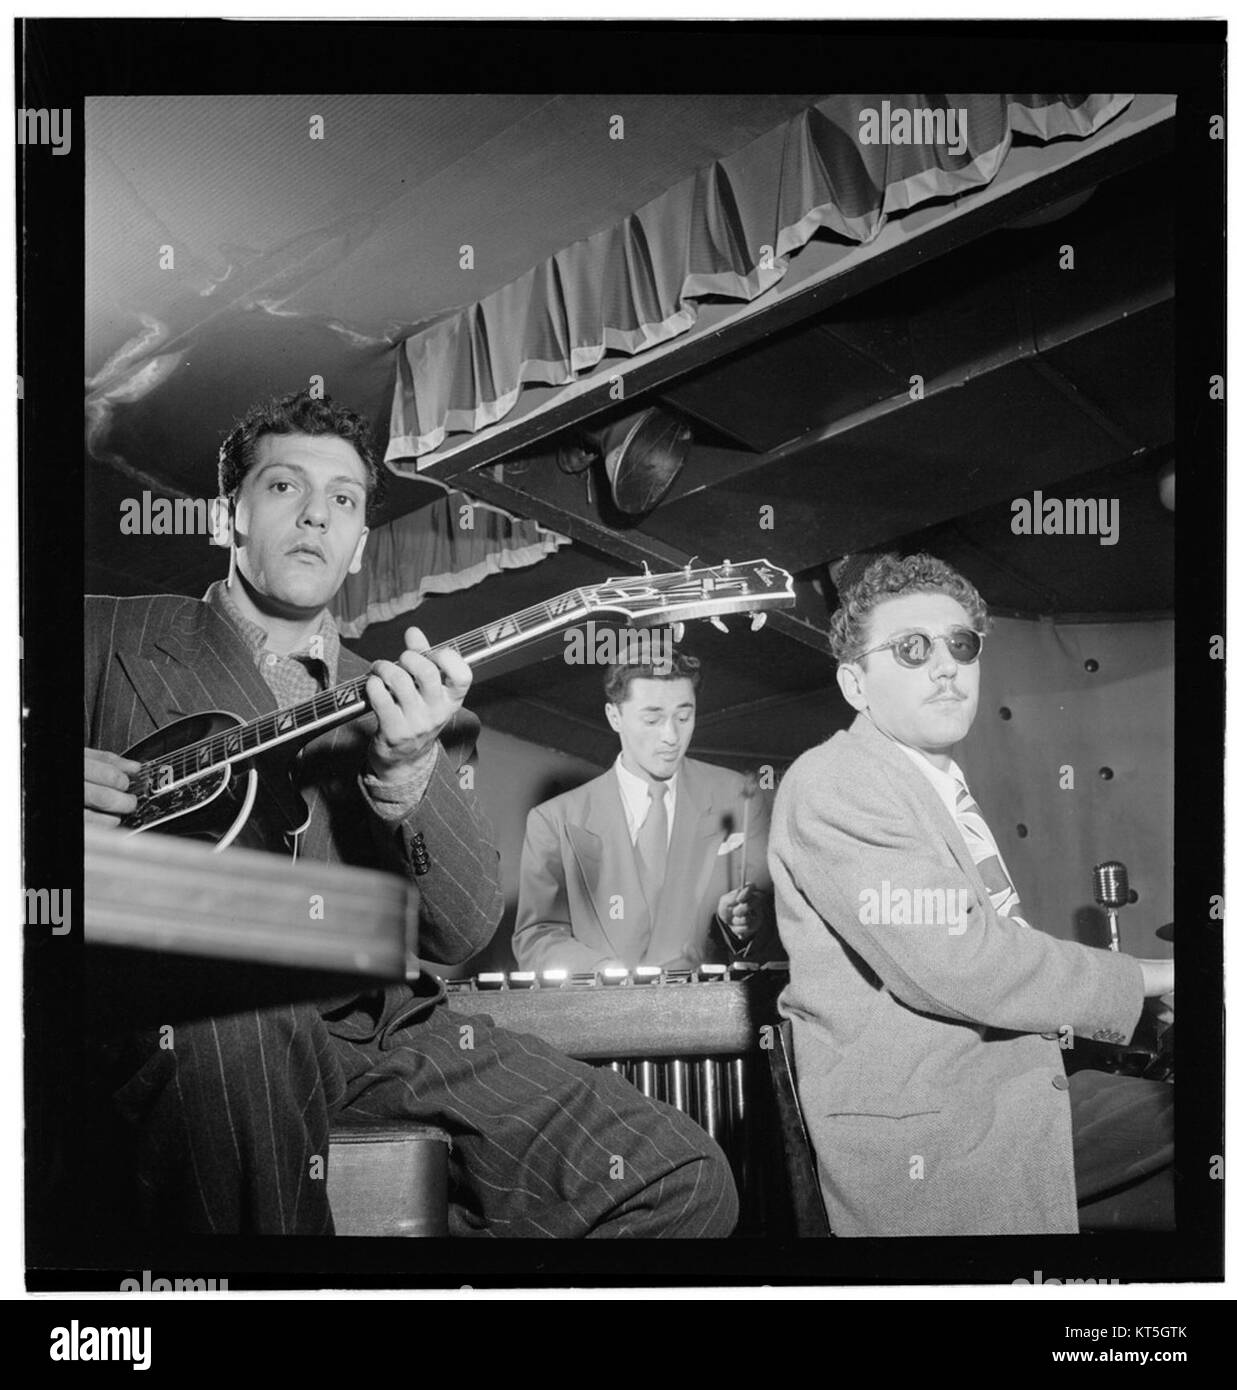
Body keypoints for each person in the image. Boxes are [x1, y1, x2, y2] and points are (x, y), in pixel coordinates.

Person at [83, 389, 738, 1238]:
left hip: (377, 1032)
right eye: (284, 488)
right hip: (178, 1019)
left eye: (345, 502)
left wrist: (405, 774)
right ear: (230, 515)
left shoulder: (430, 716)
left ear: (359, 548)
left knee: (683, 1181)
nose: (317, 516)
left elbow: (458, 933)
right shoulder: (95, 638)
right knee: (234, 1019)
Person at [769, 552, 1174, 1237]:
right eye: (909, 649)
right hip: (939, 1139)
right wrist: (1155, 978)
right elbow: (964, 963)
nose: (945, 666)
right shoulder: (836, 780)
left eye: (960, 645)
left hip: (999, 1096)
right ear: (854, 684)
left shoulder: (931, 780)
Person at [514, 652, 775, 974]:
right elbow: (536, 938)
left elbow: (774, 923)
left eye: (683, 717)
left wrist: (737, 928)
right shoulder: (553, 819)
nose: (671, 737)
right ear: (614, 716)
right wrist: (603, 971)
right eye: (652, 720)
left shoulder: (740, 797)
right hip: (602, 1014)